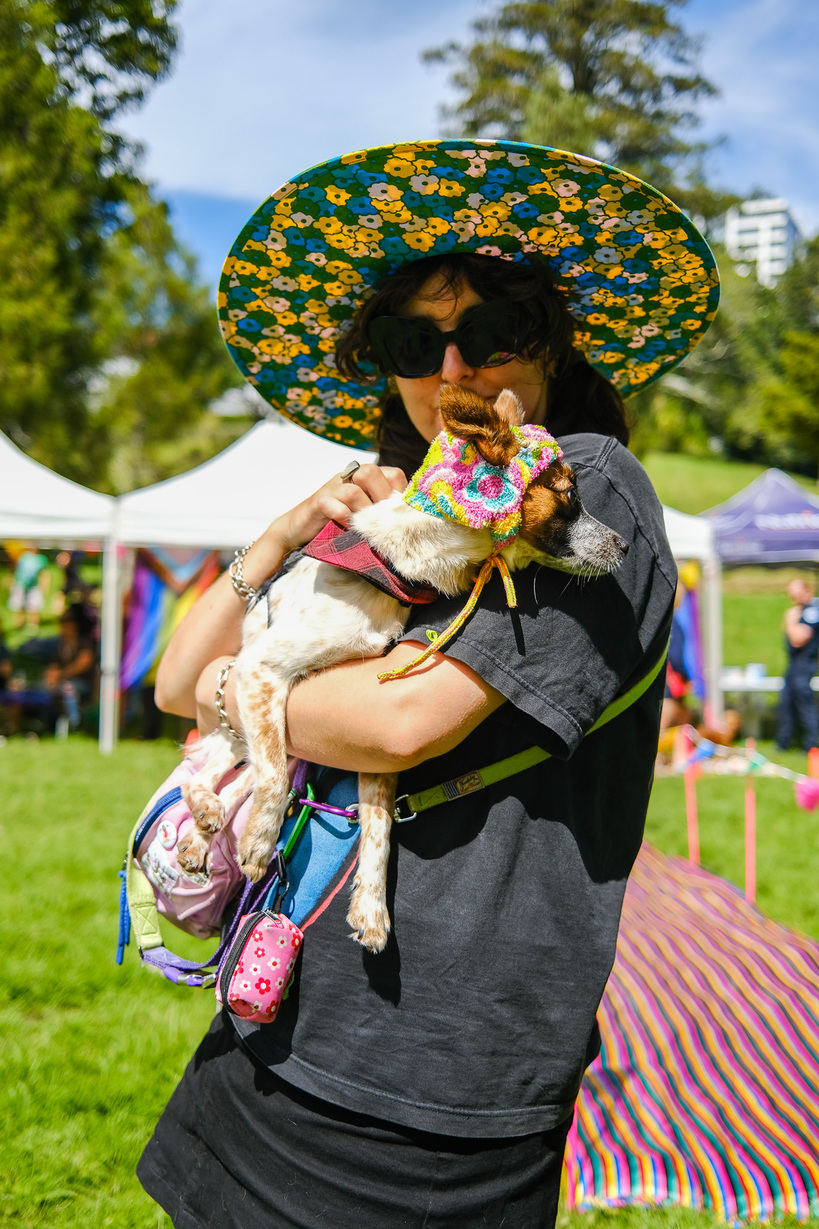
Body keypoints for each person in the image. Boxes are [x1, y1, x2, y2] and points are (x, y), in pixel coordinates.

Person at [136, 139, 718, 1228]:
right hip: (275, 1018)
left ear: (547, 342)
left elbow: (401, 721)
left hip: (434, 1085)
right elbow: (174, 676)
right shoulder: (397, 523)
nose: (453, 374)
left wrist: (241, 686)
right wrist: (286, 530)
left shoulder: (585, 485)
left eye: (489, 334)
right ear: (385, 365)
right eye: (415, 340)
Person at [776, 578, 819, 752]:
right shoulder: (799, 611)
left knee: (805, 705)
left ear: (806, 590)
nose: (792, 595)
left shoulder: (812, 611)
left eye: (794, 591)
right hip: (793, 664)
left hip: (804, 664)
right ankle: (783, 743)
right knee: (785, 703)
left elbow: (797, 638)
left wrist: (790, 620)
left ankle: (810, 744)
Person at [43, 603, 98, 731]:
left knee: (68, 689)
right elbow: (54, 665)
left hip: (83, 683)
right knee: (49, 689)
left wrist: (62, 674)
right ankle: (49, 725)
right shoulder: (61, 646)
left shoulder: (84, 643)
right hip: (63, 683)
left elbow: (83, 664)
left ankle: (74, 723)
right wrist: (51, 676)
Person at [7, 549, 50, 629]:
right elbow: (14, 568)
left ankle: (32, 627)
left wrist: (44, 585)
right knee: (18, 607)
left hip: (34, 586)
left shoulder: (41, 558)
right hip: (20, 584)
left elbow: (44, 573)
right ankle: (19, 627)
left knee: (33, 608)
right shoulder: (22, 555)